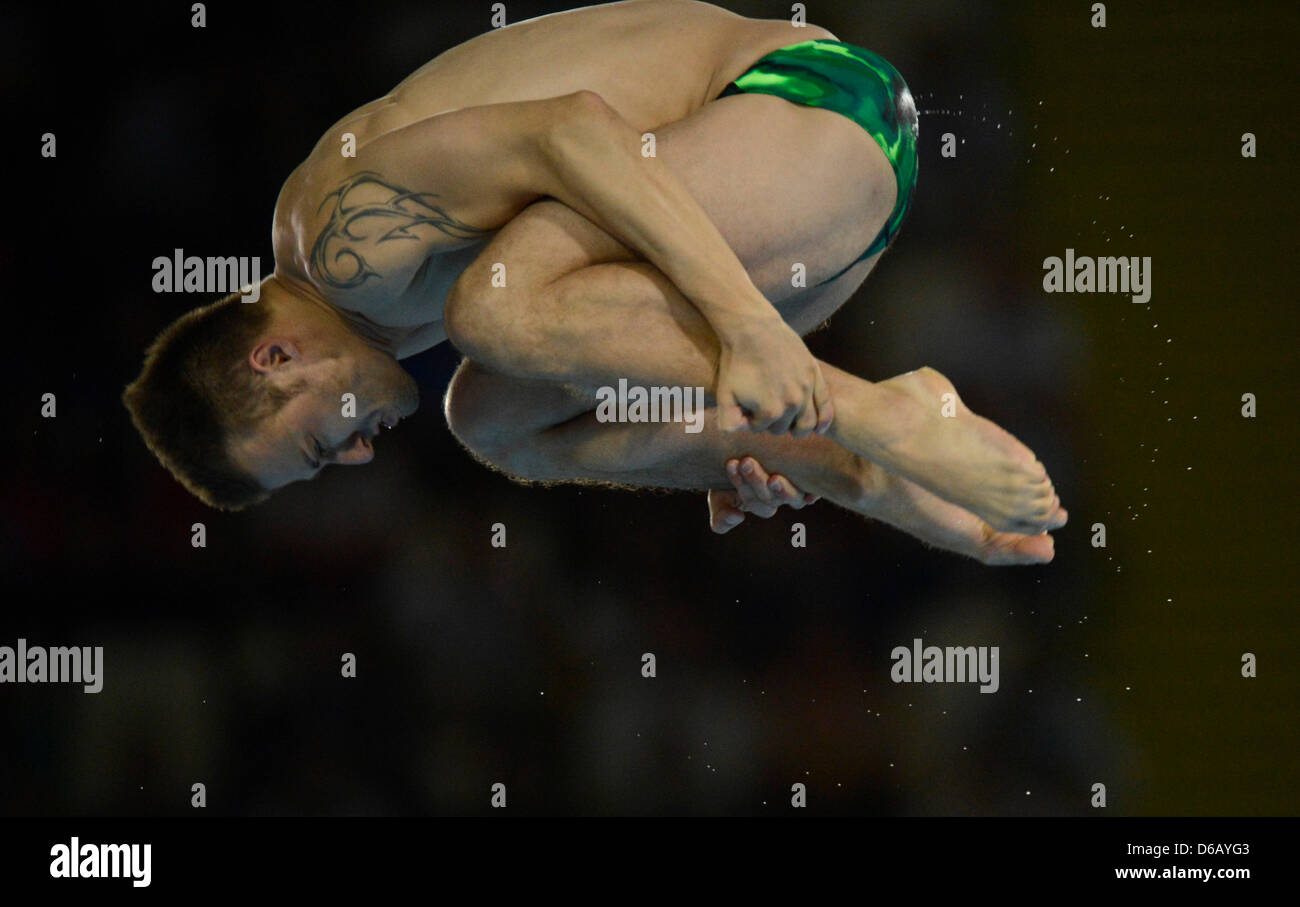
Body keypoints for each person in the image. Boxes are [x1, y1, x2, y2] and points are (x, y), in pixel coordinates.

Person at [123, 0, 1065, 564]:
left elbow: (573, 129)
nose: (358, 456)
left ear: (277, 355)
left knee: (491, 310)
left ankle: (873, 418)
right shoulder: (370, 310)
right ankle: (853, 469)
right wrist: (719, 442)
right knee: (489, 421)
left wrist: (748, 328)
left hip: (809, 103)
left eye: (318, 445)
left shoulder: (339, 240)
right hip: (810, 201)